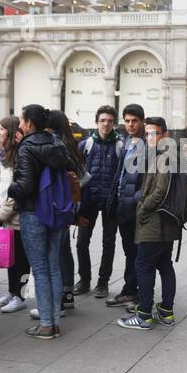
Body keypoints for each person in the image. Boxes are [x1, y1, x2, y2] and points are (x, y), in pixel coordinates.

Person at [7, 103, 75, 339]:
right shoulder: (57, 144)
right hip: (57, 212)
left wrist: (10, 188)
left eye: (22, 120)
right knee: (54, 266)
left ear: (29, 123)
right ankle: (54, 321)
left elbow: (24, 186)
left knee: (41, 268)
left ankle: (46, 325)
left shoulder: (27, 147)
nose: (20, 124)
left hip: (34, 212)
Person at [118, 117, 180, 330]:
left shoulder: (165, 157)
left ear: (165, 135)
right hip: (168, 222)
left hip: (155, 221)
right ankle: (166, 311)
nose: (149, 138)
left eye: (154, 133)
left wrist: (142, 207)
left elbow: (160, 191)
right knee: (164, 264)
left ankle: (144, 314)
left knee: (144, 265)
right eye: (147, 134)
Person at [72, 105, 121, 300]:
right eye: (103, 120)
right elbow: (76, 173)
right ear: (96, 122)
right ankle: (84, 280)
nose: (106, 124)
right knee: (82, 242)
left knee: (108, 242)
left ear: (114, 123)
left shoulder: (121, 145)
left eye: (110, 121)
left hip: (111, 201)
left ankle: (103, 282)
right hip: (88, 201)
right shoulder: (85, 145)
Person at [105, 103, 145, 307]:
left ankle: (137, 292)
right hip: (124, 207)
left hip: (137, 209)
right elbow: (120, 175)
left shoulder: (147, 145)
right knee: (129, 251)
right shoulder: (127, 142)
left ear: (142, 122)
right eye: (127, 121)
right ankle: (130, 290)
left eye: (134, 121)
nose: (130, 125)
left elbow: (147, 180)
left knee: (139, 253)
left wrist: (136, 200)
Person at [46, 110, 85, 318]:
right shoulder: (71, 143)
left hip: (60, 203)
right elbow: (84, 175)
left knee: (57, 250)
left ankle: (60, 298)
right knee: (64, 249)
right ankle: (68, 293)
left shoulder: (56, 145)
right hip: (71, 202)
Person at [0, 115, 28, 314]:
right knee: (9, 257)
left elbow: (17, 189)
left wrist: (3, 212)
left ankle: (20, 295)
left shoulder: (20, 156)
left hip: (17, 216)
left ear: (11, 132)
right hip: (2, 214)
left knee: (20, 259)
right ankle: (11, 292)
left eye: (2, 129)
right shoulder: (1, 155)